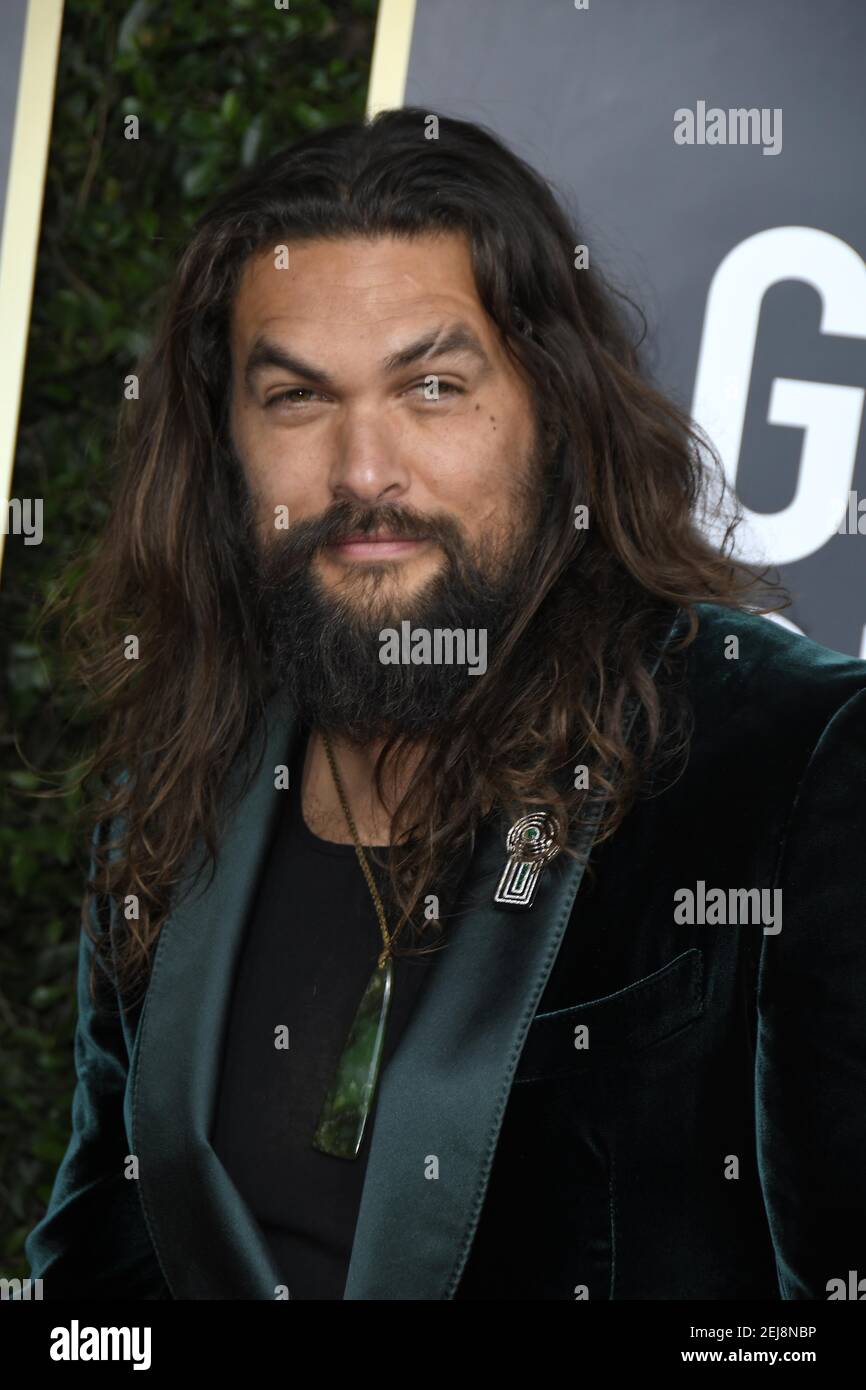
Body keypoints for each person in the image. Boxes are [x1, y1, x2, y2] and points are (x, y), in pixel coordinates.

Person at [24, 107, 866, 1301]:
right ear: (223, 451)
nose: (365, 471)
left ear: (554, 410)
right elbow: (103, 1268)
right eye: (297, 400)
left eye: (430, 385)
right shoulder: (175, 782)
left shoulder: (789, 757)